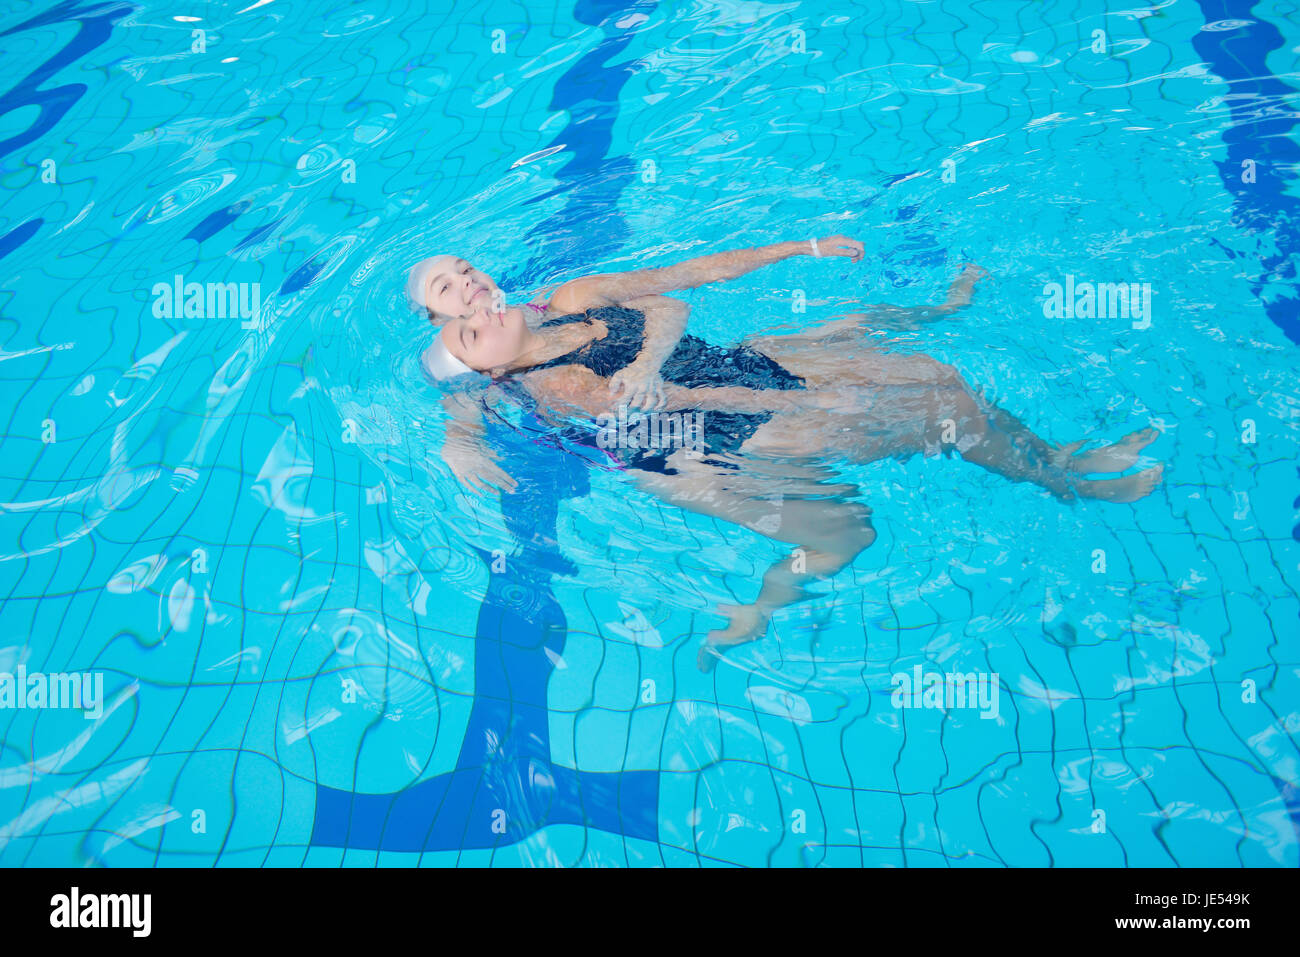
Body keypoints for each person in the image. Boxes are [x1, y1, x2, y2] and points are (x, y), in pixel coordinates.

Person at [408, 240, 1162, 669]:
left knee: (877, 341)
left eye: (466, 270)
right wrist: (807, 401)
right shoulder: (551, 385)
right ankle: (1070, 483)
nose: (474, 292)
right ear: (469, 347)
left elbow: (680, 285)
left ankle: (1054, 453)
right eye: (456, 300)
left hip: (718, 371)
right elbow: (690, 407)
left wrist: (798, 247)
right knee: (900, 446)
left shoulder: (565, 301)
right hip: (707, 440)